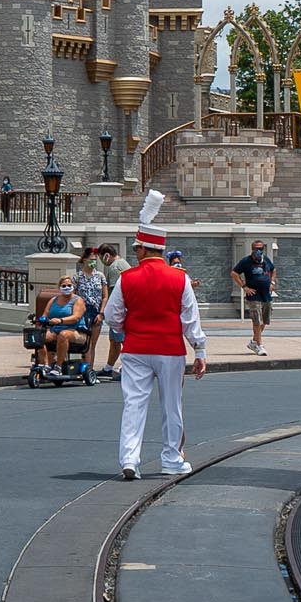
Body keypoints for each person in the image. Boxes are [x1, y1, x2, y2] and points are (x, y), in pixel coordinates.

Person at [104, 192, 206, 481]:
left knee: (133, 404)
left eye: (137, 247)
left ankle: (129, 459)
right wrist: (199, 350)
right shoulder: (180, 278)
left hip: (135, 348)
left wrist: (128, 328)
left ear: (142, 250)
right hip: (170, 350)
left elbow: (112, 317)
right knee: (171, 405)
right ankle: (171, 458)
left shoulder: (127, 279)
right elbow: (190, 319)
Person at [37, 275, 87, 378]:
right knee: (39, 337)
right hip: (55, 330)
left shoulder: (78, 300)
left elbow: (76, 317)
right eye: (64, 285)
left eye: (69, 285)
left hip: (76, 331)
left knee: (63, 335)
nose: (67, 287)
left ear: (73, 286)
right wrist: (43, 319)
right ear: (59, 287)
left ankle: (58, 367)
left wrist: (60, 320)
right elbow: (45, 314)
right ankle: (46, 365)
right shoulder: (53, 300)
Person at [232, 241, 276, 355]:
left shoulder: (266, 260)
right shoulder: (246, 261)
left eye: (261, 248)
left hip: (266, 295)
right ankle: (259, 345)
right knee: (257, 320)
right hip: (253, 296)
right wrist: (244, 286)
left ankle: (254, 341)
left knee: (265, 320)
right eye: (256, 248)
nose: (258, 250)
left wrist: (272, 282)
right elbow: (234, 273)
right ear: (252, 249)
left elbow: (273, 269)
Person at [97, 243, 132, 371]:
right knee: (115, 340)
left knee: (120, 339)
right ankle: (108, 368)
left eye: (101, 257)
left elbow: (115, 293)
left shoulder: (114, 267)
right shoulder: (123, 263)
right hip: (126, 309)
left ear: (107, 256)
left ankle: (127, 366)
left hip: (121, 310)